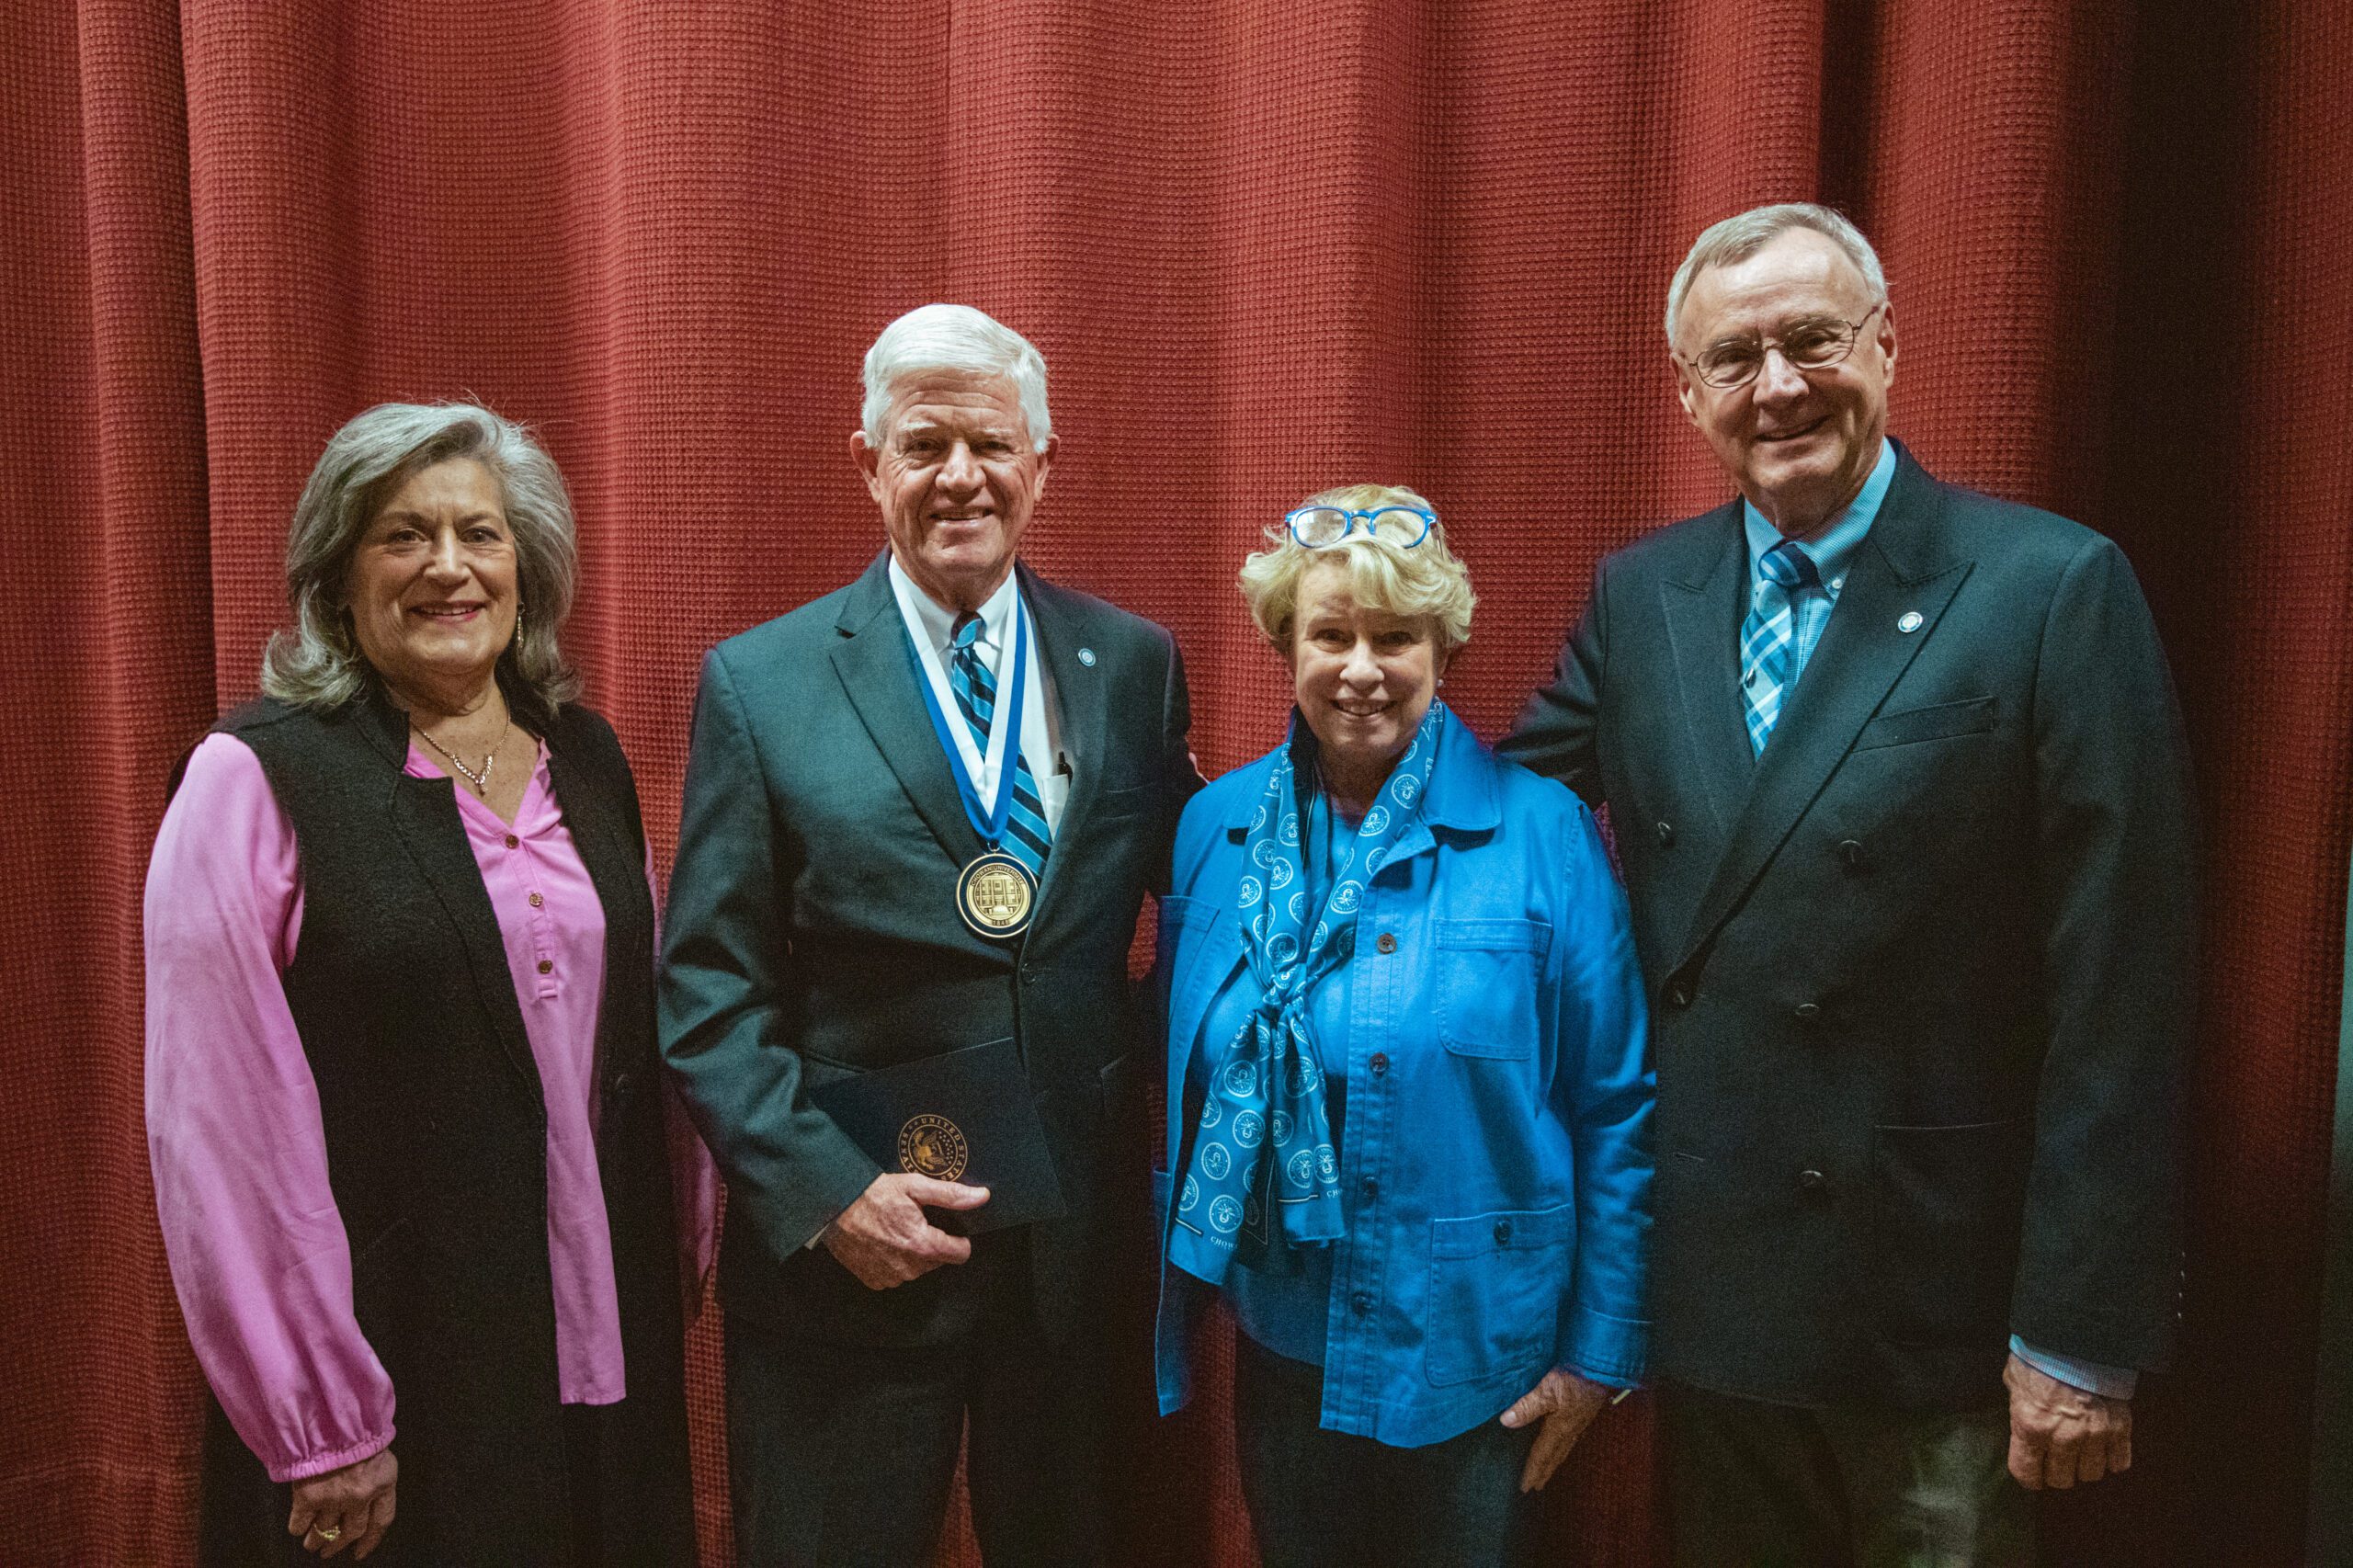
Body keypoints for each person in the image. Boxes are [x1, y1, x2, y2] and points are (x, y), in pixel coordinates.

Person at [1500, 203, 2197, 1564]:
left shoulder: (2051, 586)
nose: (1779, 387)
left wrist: (2083, 1330)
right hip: (1718, 1292)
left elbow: (2128, 983)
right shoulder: (1644, 596)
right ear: (1687, 393)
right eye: (1735, 359)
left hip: (1939, 1297)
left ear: (1888, 344)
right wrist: (1278, 795)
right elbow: (1494, 804)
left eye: (1812, 340)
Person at [659, 303, 1199, 1566]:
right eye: (925, 443)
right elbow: (706, 992)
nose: (962, 475)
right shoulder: (762, 681)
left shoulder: (1132, 663)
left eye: (992, 443)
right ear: (868, 462)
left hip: (1072, 1259)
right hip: (853, 1256)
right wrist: (825, 1188)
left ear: (1042, 463)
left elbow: (1195, 901)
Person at [145, 402, 709, 1565]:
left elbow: (648, 1040)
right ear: (339, 579)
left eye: (481, 535)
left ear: (527, 570)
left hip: (604, 1353)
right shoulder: (252, 777)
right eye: (403, 535)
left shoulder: (590, 759)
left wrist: (684, 1253)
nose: (449, 566)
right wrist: (322, 1418)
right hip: (392, 1371)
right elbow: (223, 1128)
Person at [1151, 486, 1653, 1568]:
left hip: (1479, 1354)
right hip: (1282, 1343)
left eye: (1396, 636)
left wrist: (1599, 1354)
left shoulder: (1545, 833)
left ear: (1445, 646)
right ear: (1286, 641)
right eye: (1331, 633)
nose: (1361, 667)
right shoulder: (1214, 829)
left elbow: (1615, 1103)